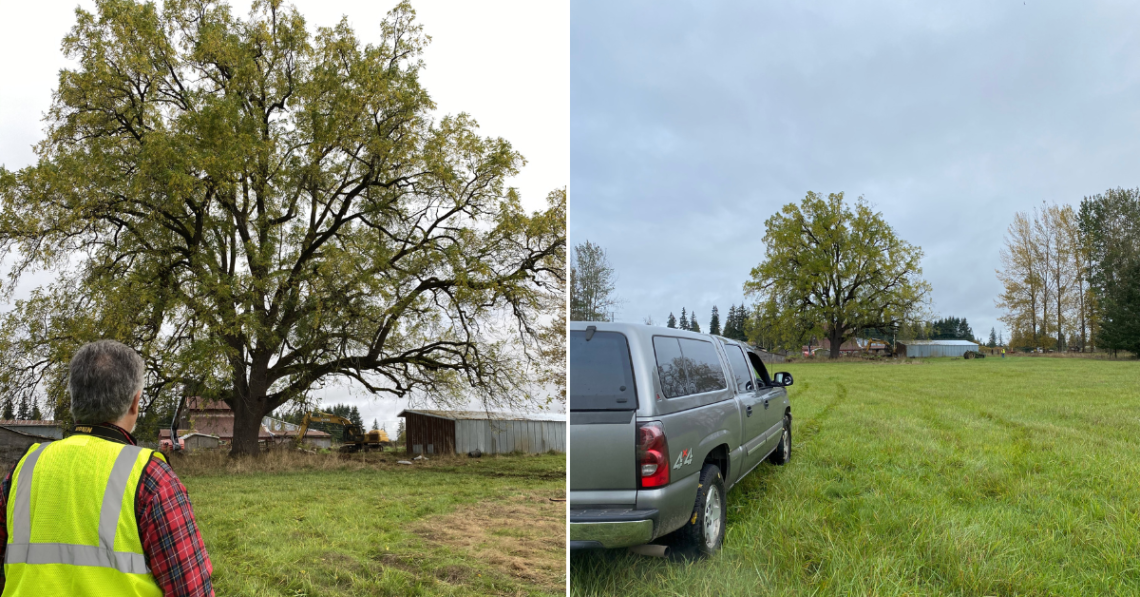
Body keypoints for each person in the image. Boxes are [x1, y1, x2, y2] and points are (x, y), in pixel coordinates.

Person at [0, 340, 213, 596]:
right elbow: (192, 589)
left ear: (74, 400)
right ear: (135, 402)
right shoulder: (151, 476)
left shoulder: (24, 468)